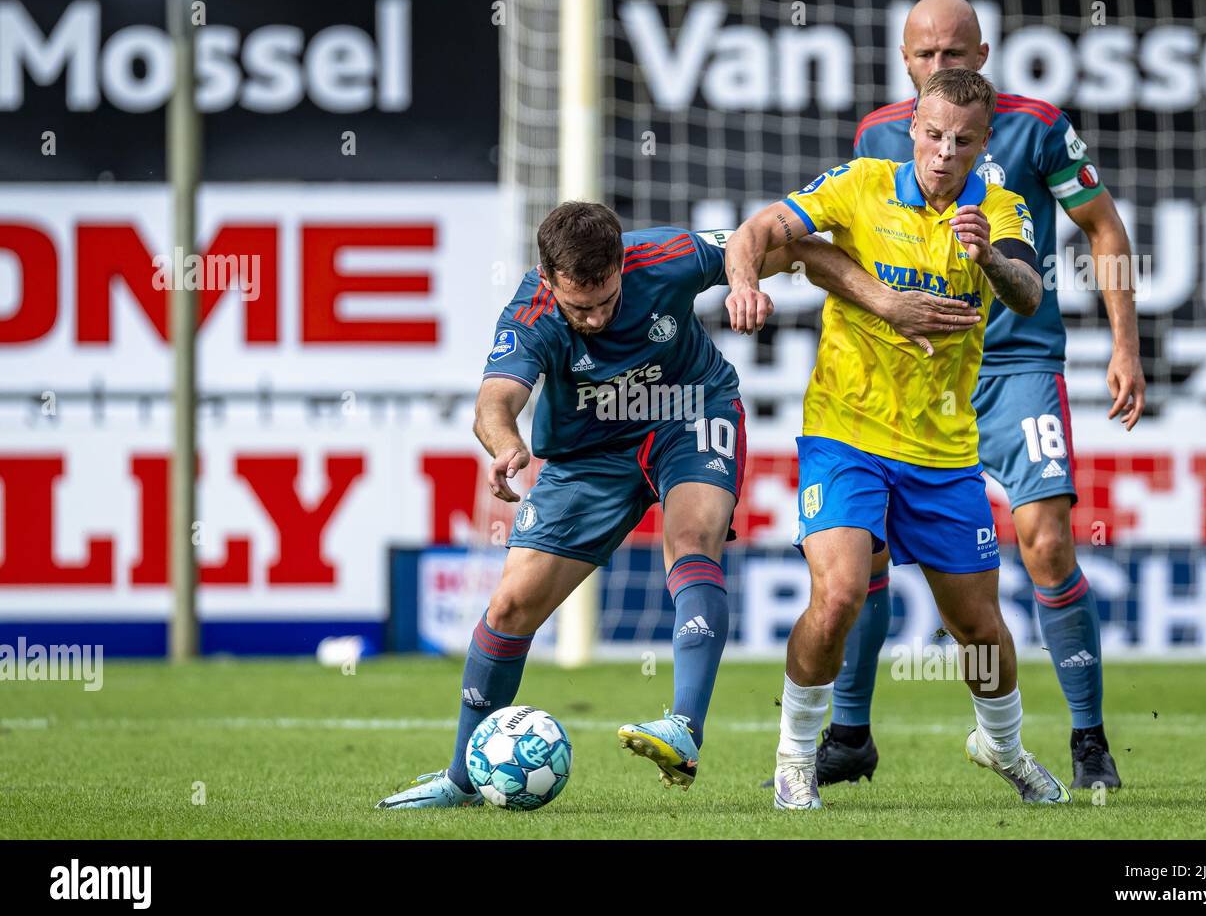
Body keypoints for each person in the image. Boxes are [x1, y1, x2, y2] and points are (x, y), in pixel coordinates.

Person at [375, 201, 959, 808]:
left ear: (622, 264)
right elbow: (494, 401)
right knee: (513, 604)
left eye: (607, 299)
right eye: (582, 308)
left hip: (692, 413)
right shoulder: (531, 312)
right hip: (589, 452)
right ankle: (463, 779)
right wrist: (505, 446)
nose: (598, 317)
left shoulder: (668, 256)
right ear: (550, 281)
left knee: (692, 540)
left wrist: (747, 284)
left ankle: (683, 725)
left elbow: (791, 248)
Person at [819, 0, 1143, 791]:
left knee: (1048, 541)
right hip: (911, 374)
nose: (941, 67)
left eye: (955, 54)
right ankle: (851, 737)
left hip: (1017, 367)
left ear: (984, 55)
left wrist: (1125, 345)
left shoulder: (1035, 124)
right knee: (866, 555)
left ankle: (1090, 743)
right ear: (905, 61)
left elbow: (1103, 228)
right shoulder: (877, 135)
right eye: (926, 56)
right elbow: (843, 252)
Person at [727, 67, 1072, 810]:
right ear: (913, 127)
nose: (945, 152)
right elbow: (760, 234)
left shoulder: (1002, 207)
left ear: (984, 146)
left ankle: (1002, 748)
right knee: (841, 592)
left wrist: (989, 260)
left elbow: (1030, 292)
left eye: (964, 141)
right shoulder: (860, 184)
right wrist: (744, 283)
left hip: (943, 449)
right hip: (845, 430)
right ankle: (794, 758)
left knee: (978, 624)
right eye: (934, 134)